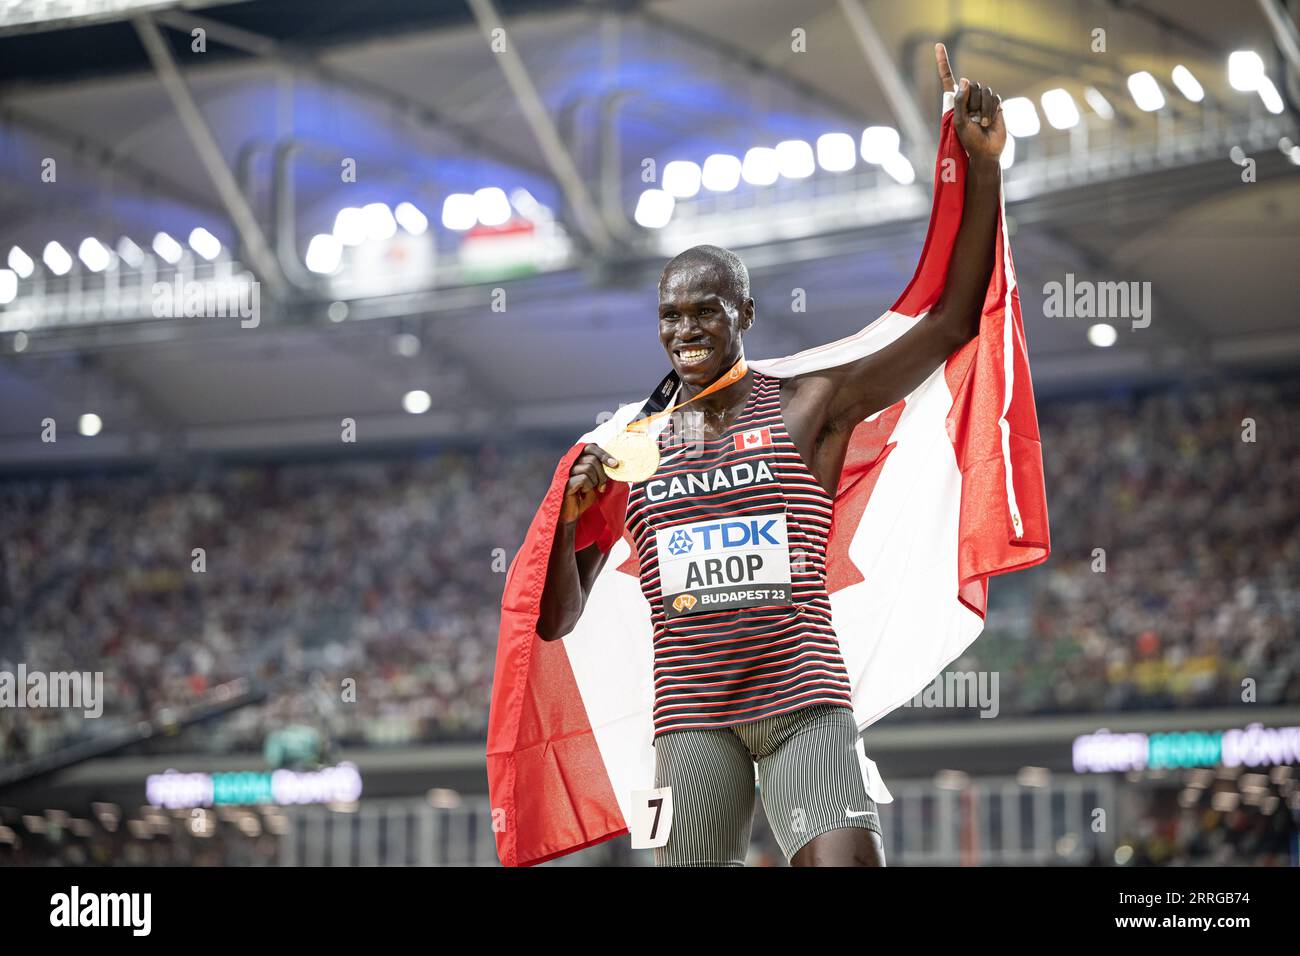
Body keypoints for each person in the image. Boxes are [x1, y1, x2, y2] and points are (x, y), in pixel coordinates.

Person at [535, 44, 1006, 867]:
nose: (684, 329)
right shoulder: (629, 448)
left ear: (744, 313)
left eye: (705, 311)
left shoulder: (809, 403)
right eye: (669, 314)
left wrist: (984, 167)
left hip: (804, 701)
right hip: (691, 720)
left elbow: (951, 324)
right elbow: (555, 619)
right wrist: (568, 523)